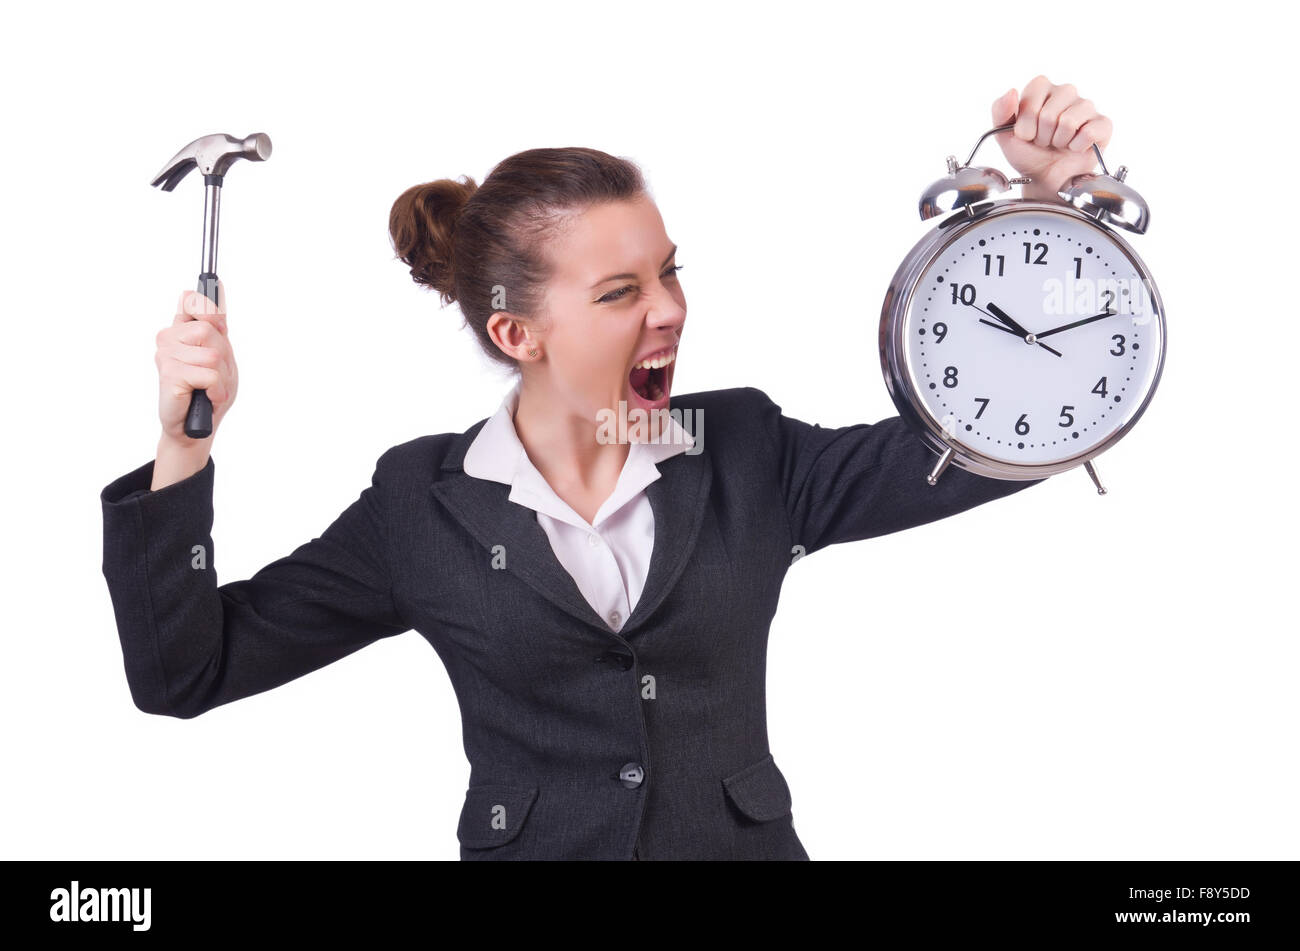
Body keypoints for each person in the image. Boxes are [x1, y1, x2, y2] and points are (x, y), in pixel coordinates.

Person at [100, 77, 1111, 860]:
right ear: (517, 332)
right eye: (621, 290)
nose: (667, 309)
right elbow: (187, 672)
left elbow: (992, 449)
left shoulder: (745, 452)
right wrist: (185, 446)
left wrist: (1040, 205)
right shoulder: (421, 505)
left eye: (670, 270)